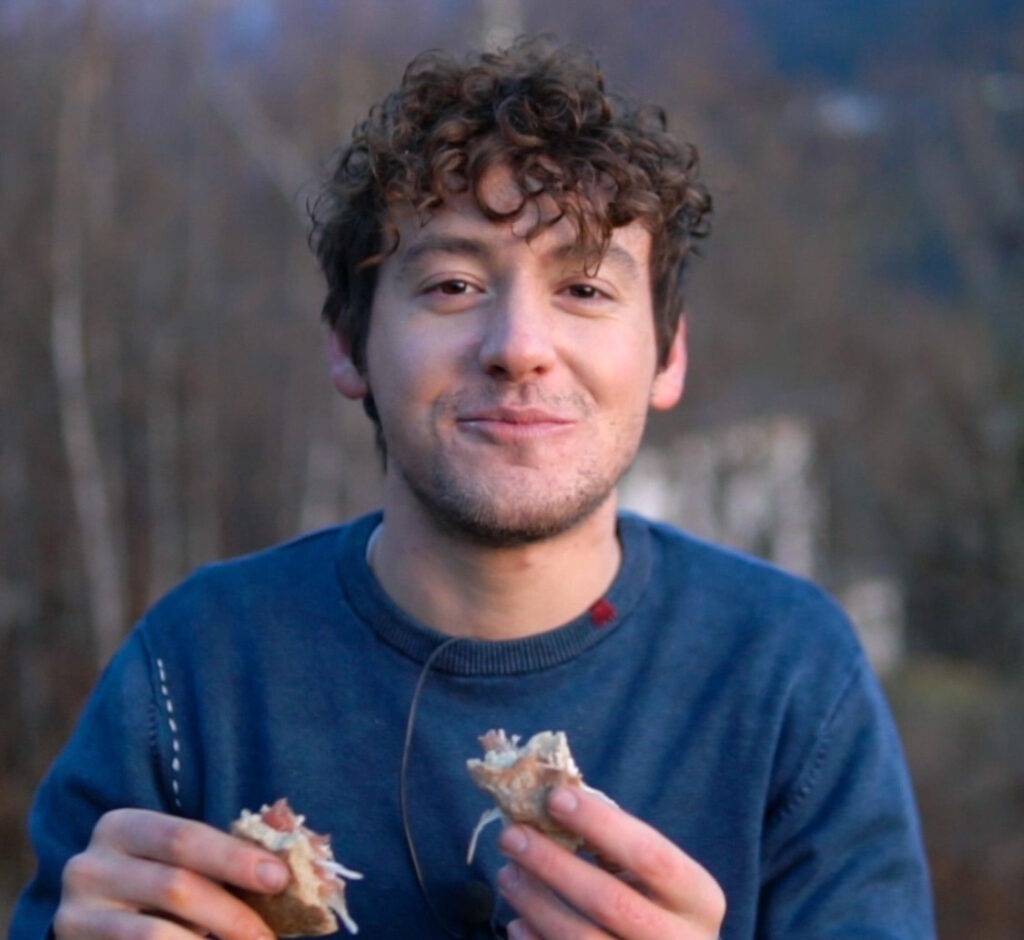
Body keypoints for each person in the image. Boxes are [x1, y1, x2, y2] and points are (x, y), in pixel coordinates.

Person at [11, 36, 934, 940]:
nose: (518, 346)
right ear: (349, 344)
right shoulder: (198, 666)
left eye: (583, 288)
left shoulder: (788, 671)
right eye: (452, 284)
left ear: (668, 353)